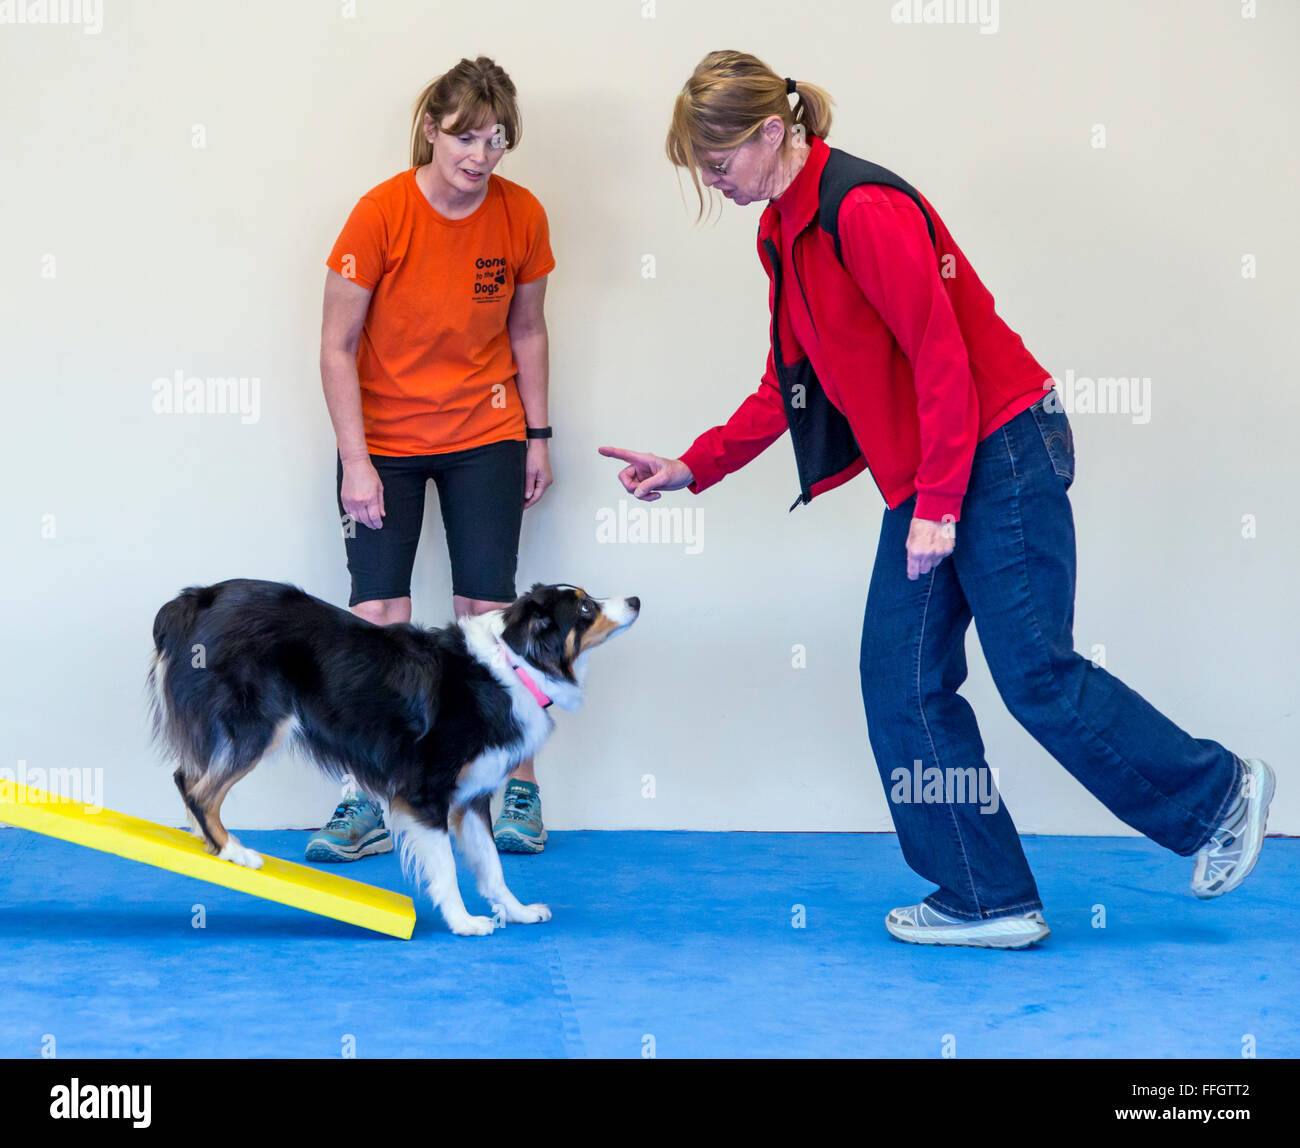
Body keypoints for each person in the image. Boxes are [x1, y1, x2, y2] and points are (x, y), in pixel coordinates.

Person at [600, 50, 1275, 950]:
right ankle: (985, 893)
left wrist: (941, 506)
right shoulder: (781, 234)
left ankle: (1221, 794)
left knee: (1035, 673)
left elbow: (941, 356)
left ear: (771, 133)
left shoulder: (862, 210)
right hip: (937, 468)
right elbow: (790, 384)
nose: (714, 185)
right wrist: (694, 466)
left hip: (998, 446)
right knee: (899, 679)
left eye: (718, 165)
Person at [309, 56, 555, 862]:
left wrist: (538, 435)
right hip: (384, 440)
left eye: (495, 140)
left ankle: (508, 785)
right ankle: (369, 795)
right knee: (378, 619)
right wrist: (355, 462)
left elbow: (527, 330)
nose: (480, 155)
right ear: (430, 128)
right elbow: (336, 347)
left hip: (486, 431)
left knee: (487, 620)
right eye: (464, 137)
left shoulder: (521, 216)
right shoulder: (380, 214)